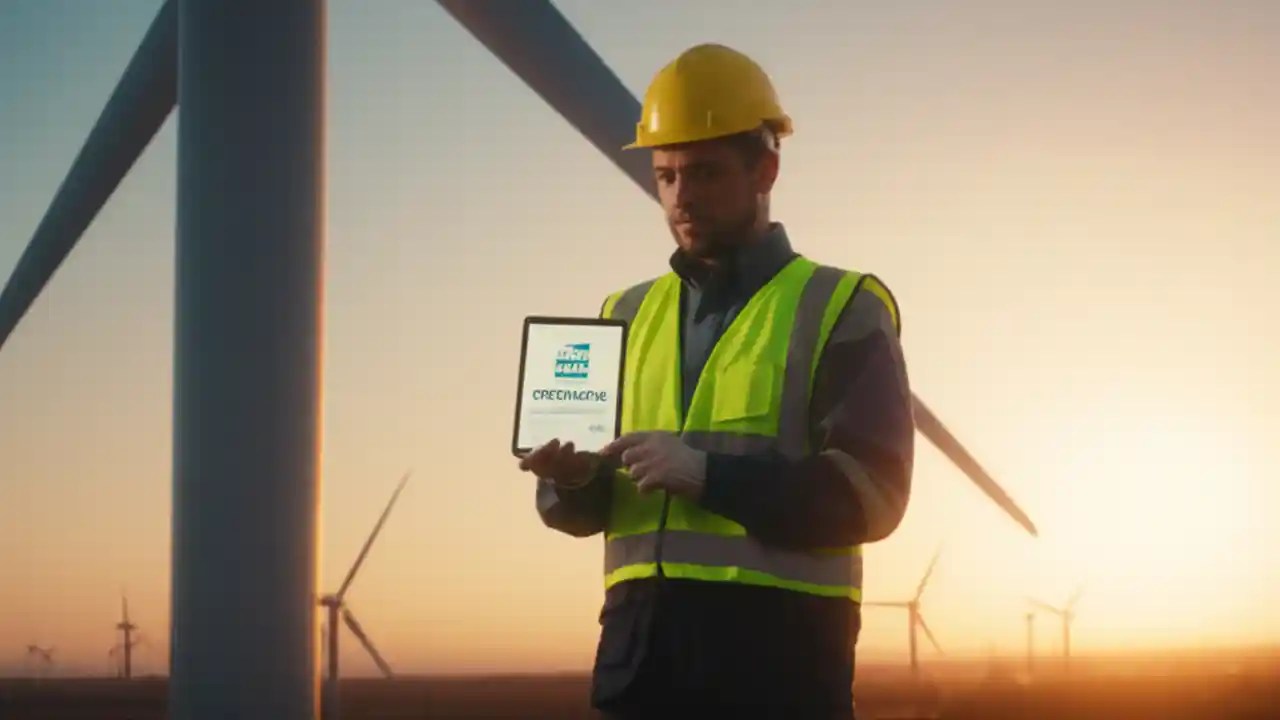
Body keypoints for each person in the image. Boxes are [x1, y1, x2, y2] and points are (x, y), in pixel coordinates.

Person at [517, 43, 915, 719]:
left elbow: (871, 497)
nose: (681, 197)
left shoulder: (840, 306)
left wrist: (705, 474)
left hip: (776, 675)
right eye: (666, 176)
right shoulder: (625, 313)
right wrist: (571, 480)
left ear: (766, 168)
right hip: (639, 672)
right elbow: (586, 516)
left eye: (704, 173)